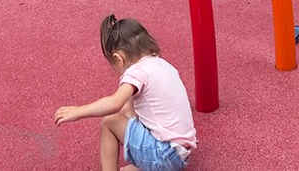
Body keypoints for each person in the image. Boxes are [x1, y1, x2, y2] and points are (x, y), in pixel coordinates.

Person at [55, 14, 196, 171]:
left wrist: (79, 111)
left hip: (163, 155)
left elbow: (115, 103)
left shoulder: (137, 72)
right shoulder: (163, 65)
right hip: (181, 156)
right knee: (131, 121)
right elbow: (128, 111)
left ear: (118, 58)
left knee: (109, 123)